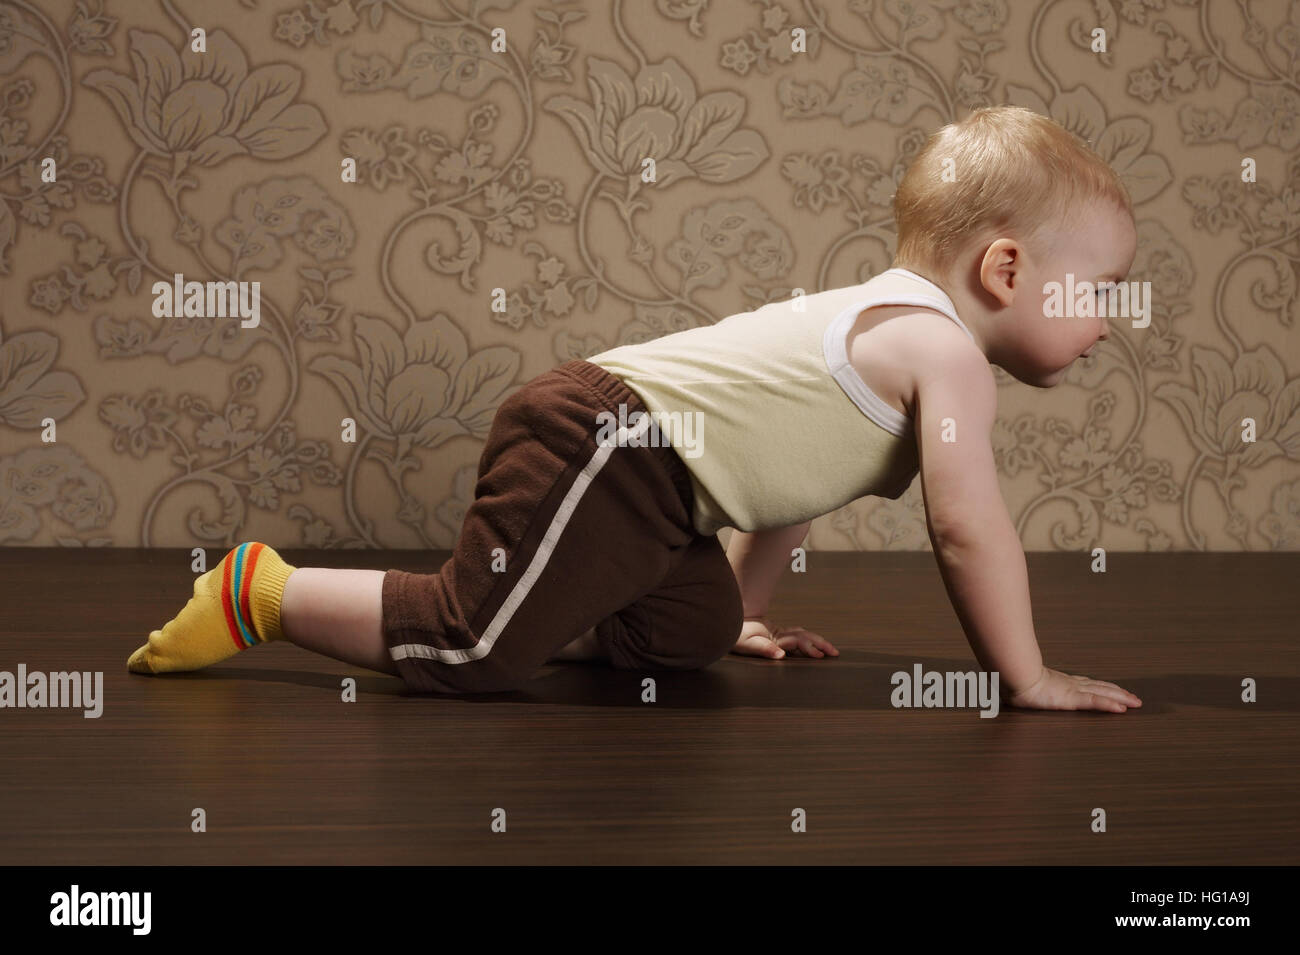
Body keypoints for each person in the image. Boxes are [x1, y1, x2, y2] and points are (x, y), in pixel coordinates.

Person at [128, 105, 1143, 713]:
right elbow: (968, 530)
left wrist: (743, 608)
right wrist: (1026, 676)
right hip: (604, 443)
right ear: (1005, 269)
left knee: (691, 630)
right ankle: (262, 592)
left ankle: (556, 602)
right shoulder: (942, 354)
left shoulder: (893, 334)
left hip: (649, 484)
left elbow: (797, 483)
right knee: (472, 647)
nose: (1109, 319)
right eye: (1096, 290)